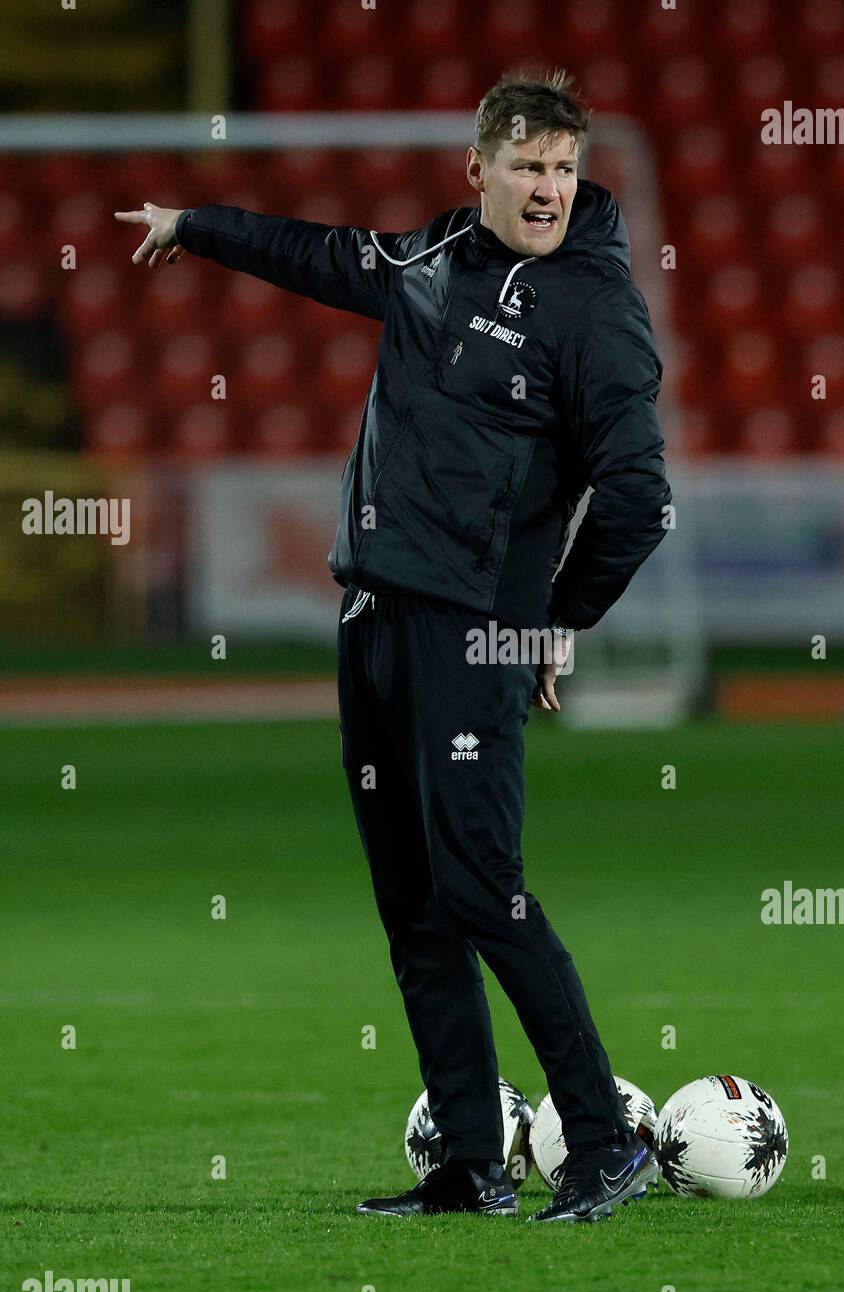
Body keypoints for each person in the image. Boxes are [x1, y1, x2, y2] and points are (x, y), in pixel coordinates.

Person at [115, 69, 671, 1223]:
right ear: (477, 170)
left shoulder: (595, 308)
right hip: (373, 614)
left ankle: (604, 1140)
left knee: (486, 894)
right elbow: (317, 255)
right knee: (414, 907)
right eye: (527, 166)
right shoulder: (431, 262)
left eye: (564, 169)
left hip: (471, 635)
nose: (548, 189)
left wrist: (558, 614)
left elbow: (638, 496)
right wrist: (194, 226)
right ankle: (471, 1161)